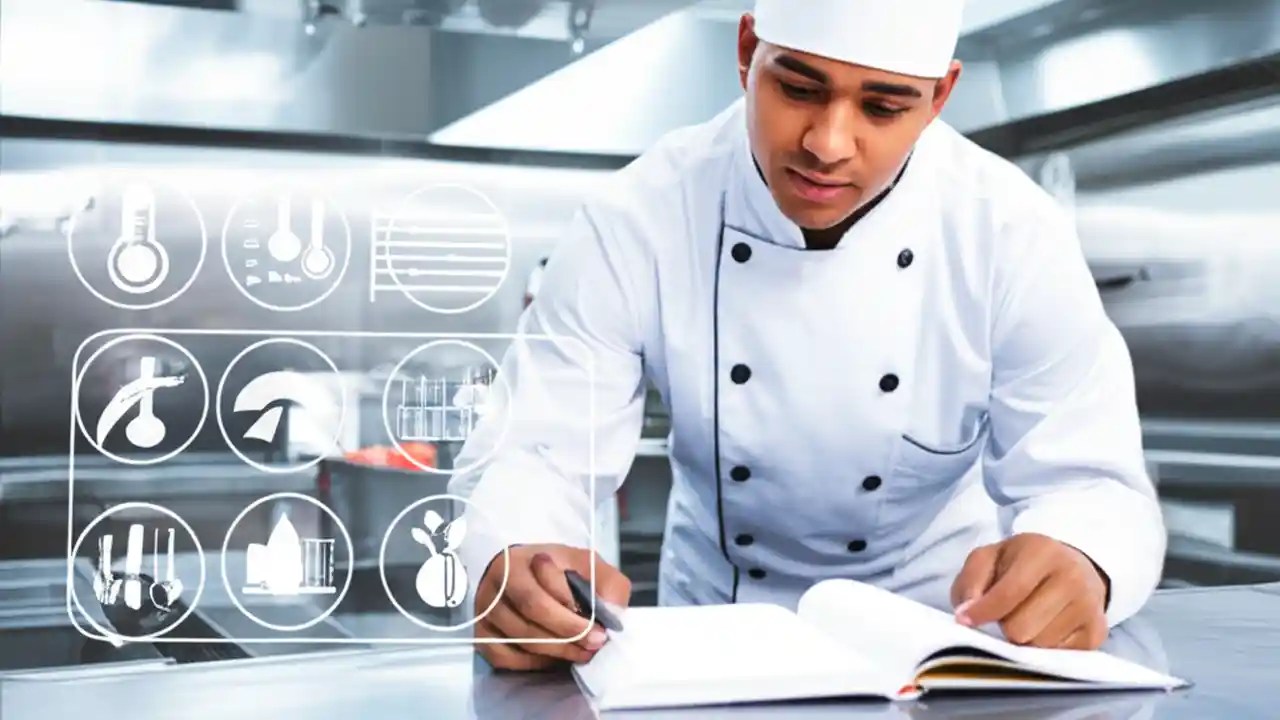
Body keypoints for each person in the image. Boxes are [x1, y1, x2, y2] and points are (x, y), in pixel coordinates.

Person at [448, 0, 1166, 672]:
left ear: (940, 97)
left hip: (942, 643)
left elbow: (1091, 482)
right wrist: (517, 553)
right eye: (797, 89)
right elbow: (538, 450)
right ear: (747, 50)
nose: (827, 144)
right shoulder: (640, 216)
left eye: (883, 107)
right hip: (712, 644)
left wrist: (1082, 556)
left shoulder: (1011, 233)